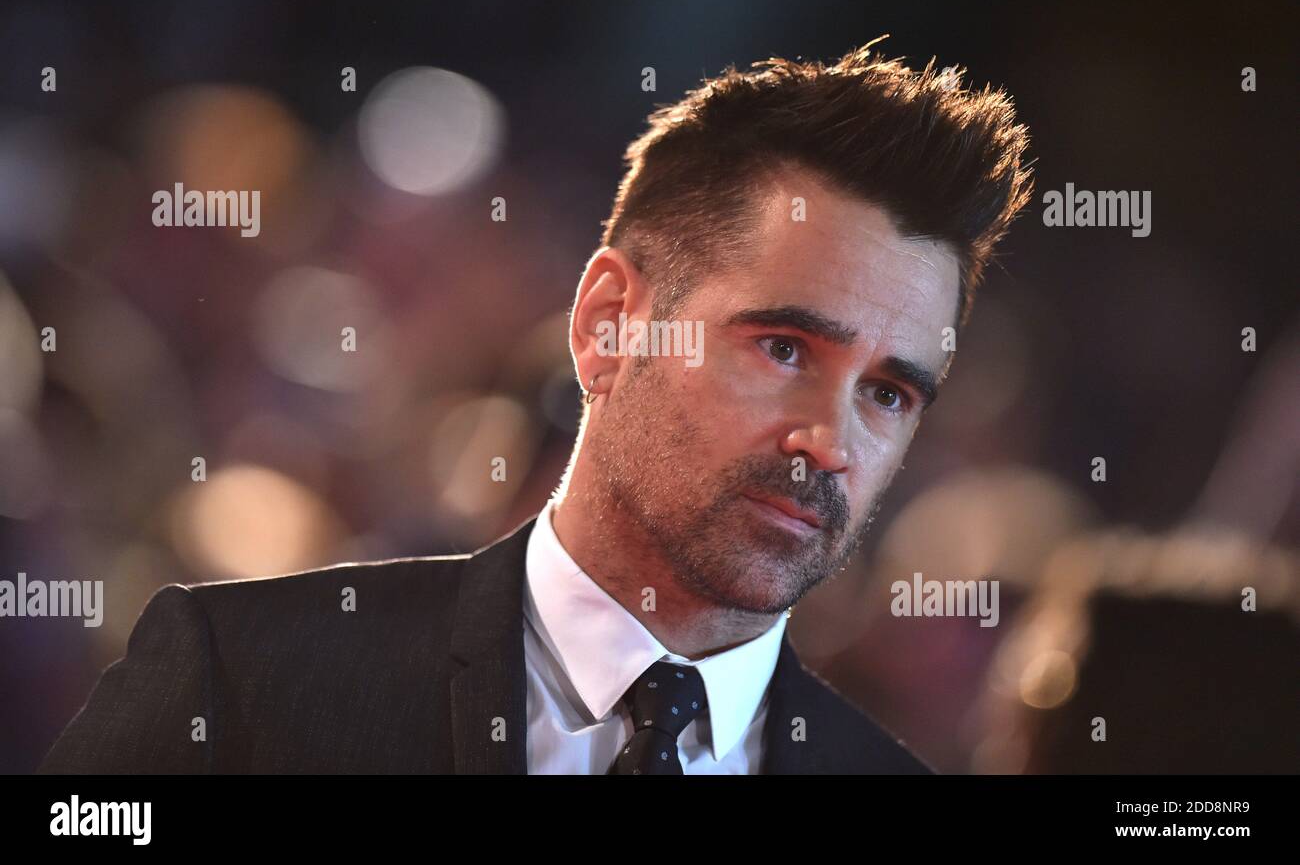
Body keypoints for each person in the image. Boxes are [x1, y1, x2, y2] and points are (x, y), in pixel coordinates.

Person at [40, 39, 1033, 774]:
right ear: (607, 321)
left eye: (889, 393)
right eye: (782, 348)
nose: (829, 439)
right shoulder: (246, 685)